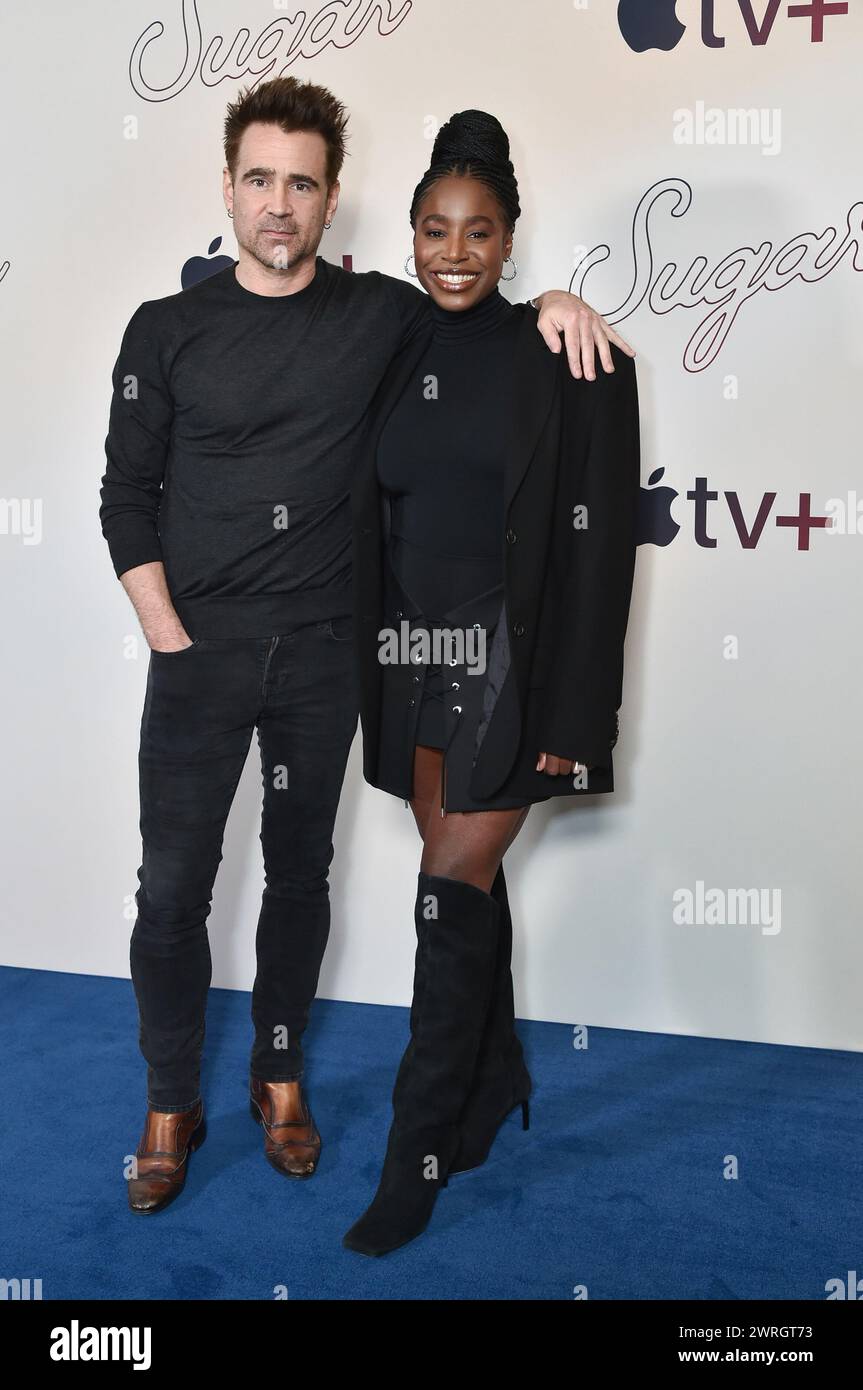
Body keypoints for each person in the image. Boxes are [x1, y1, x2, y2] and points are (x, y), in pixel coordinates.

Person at [99, 76, 633, 1215]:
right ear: (229, 188)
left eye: (301, 183)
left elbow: (476, 301)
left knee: (302, 877)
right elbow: (124, 497)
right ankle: (167, 1102)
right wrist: (172, 635)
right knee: (169, 892)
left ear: (330, 199)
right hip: (199, 657)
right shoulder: (166, 329)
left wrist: (561, 301)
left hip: (331, 658)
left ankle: (280, 1078)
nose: (279, 204)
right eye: (259, 180)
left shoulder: (381, 317)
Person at [344, 110, 641, 1256]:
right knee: (459, 888)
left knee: (445, 893)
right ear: (411, 236)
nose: (452, 250)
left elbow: (597, 560)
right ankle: (495, 1076)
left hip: (512, 672)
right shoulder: (386, 343)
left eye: (476, 231)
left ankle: (414, 1154)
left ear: (510, 240)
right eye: (432, 229)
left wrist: (574, 716)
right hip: (413, 662)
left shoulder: (573, 360)